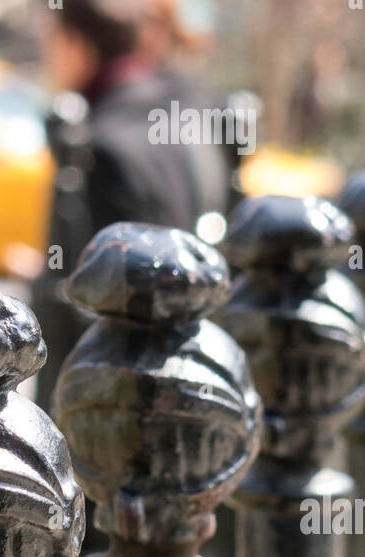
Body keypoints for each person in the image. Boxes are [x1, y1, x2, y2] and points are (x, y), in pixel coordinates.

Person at [32, 0, 232, 405]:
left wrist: (50, 273)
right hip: (208, 344)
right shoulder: (190, 102)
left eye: (49, 41)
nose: (46, 57)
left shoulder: (97, 142)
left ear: (76, 45)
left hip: (128, 380)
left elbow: (87, 283)